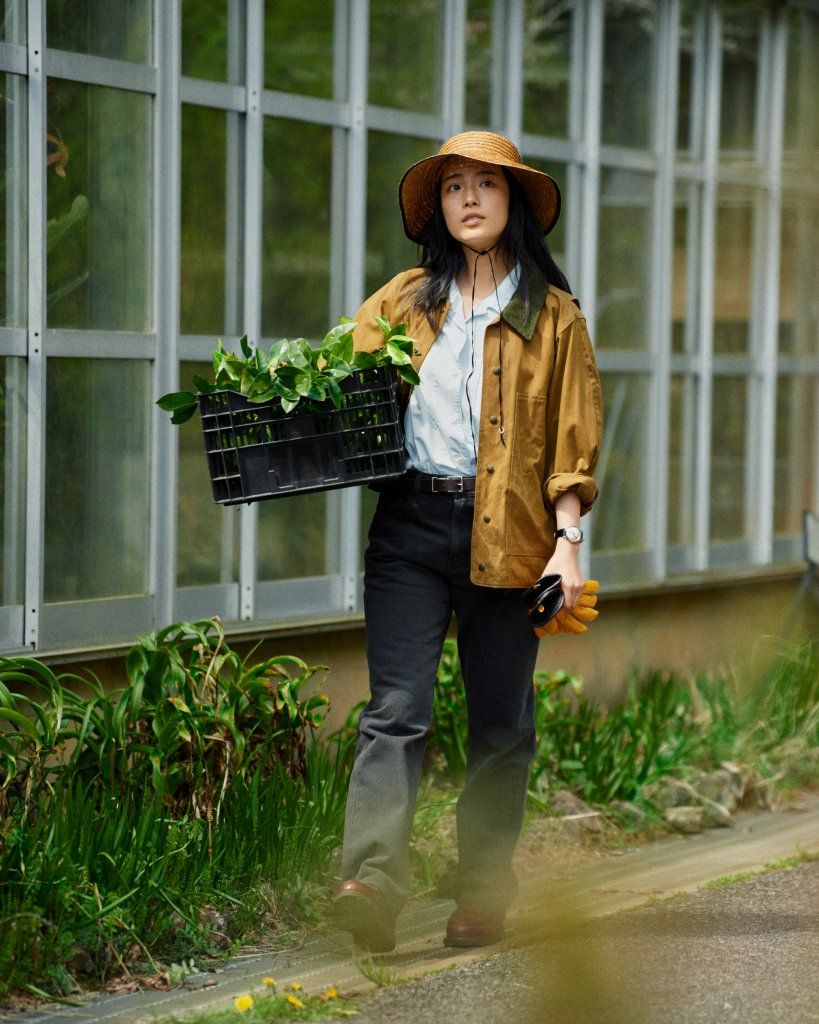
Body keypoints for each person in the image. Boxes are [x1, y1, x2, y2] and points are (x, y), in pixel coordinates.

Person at [329, 131, 604, 953]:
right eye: (454, 187)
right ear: (437, 208)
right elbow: (342, 384)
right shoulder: (405, 299)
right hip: (411, 526)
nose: (470, 199)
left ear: (513, 201)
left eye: (487, 184)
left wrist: (567, 544)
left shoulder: (553, 317)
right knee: (395, 711)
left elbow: (572, 437)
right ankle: (370, 885)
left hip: (512, 537)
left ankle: (481, 894)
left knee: (499, 725)